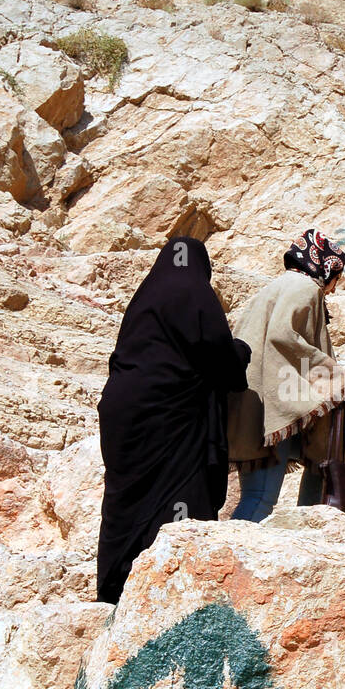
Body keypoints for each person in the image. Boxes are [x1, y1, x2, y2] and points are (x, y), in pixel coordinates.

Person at [96, 236, 250, 604]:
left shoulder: (143, 301)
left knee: (127, 500)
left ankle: (114, 588)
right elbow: (221, 358)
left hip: (120, 410)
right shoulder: (196, 295)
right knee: (177, 495)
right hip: (171, 418)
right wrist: (241, 351)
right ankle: (171, 597)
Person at [228, 228, 345, 522]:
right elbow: (285, 339)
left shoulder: (275, 286)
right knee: (260, 500)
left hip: (249, 405)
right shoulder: (306, 289)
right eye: (337, 278)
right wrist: (333, 377)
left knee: (253, 496)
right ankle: (227, 557)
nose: (333, 288)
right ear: (327, 268)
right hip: (273, 408)